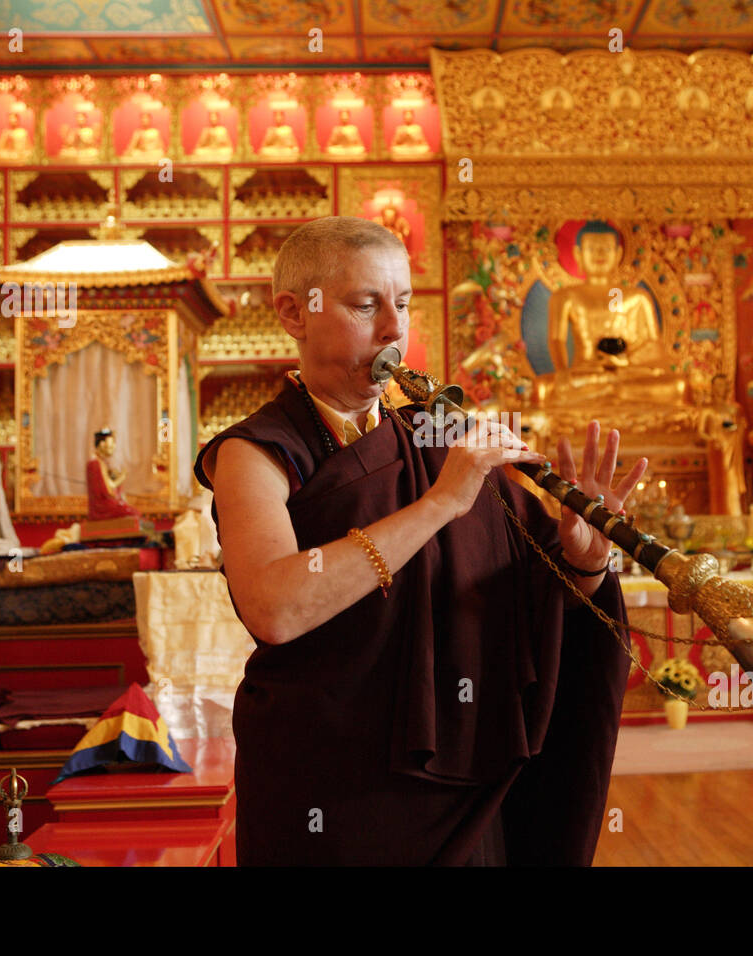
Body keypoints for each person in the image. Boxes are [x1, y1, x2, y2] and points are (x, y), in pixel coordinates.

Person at [193, 216, 647, 865]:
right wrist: (439, 504)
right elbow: (275, 606)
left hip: (463, 776)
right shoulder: (254, 452)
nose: (393, 331)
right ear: (293, 312)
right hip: (333, 789)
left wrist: (584, 560)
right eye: (364, 304)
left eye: (401, 304)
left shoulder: (438, 436)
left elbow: (534, 610)